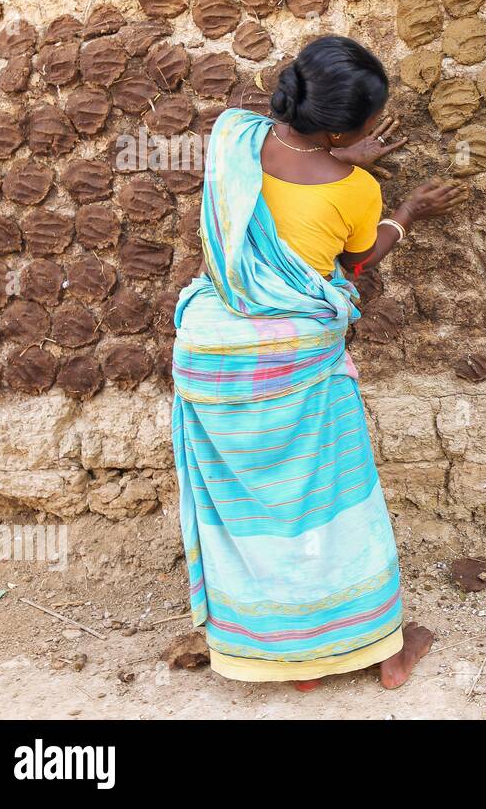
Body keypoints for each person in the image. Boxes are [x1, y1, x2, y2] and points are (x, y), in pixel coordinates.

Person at [171, 35, 465, 691]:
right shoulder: (356, 191)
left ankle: (293, 657)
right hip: (291, 365)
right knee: (336, 506)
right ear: (339, 130)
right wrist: (407, 211)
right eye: (366, 121)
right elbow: (355, 262)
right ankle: (385, 652)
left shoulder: (233, 138)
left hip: (209, 361)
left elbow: (287, 171)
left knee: (259, 515)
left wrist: (336, 151)